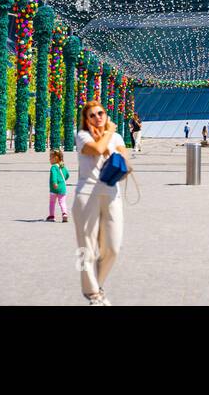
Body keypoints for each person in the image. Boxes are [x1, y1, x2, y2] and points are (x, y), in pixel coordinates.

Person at [72, 99, 128, 305]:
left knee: (113, 247)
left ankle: (97, 284)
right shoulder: (82, 136)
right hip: (86, 195)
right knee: (85, 248)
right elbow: (96, 149)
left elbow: (125, 160)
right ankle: (93, 294)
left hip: (112, 194)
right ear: (86, 120)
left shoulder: (117, 137)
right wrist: (108, 134)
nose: (98, 117)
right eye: (92, 115)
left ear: (106, 115)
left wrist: (123, 160)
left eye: (100, 113)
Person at [47, 150, 70, 222]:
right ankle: (64, 214)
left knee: (52, 202)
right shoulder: (62, 166)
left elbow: (54, 175)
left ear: (55, 158)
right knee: (62, 202)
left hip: (54, 188)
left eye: (50, 158)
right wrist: (62, 181)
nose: (49, 159)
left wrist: (55, 182)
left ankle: (51, 216)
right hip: (62, 187)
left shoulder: (53, 167)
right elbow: (67, 175)